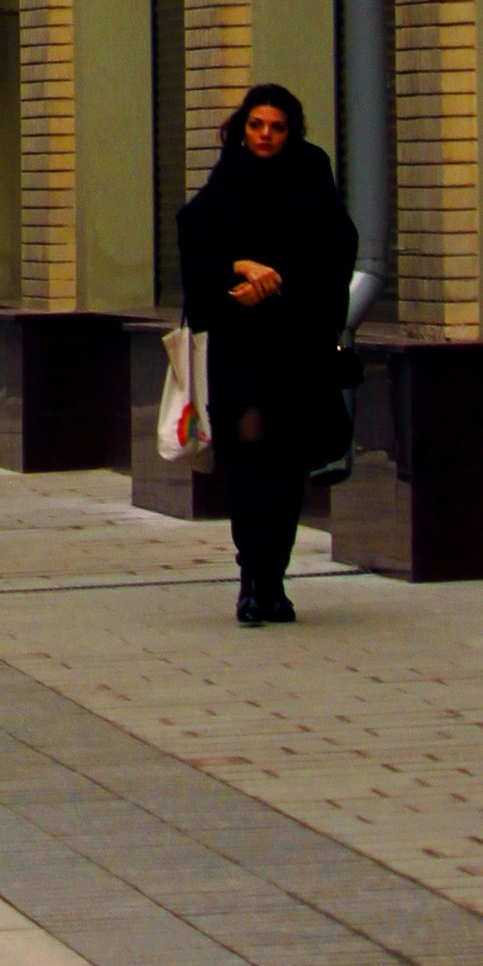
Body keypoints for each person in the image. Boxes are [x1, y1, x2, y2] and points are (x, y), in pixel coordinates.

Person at [177, 80, 354, 626]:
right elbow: (196, 244)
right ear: (242, 127)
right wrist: (239, 268)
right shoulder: (228, 177)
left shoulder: (311, 174)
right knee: (250, 454)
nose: (266, 136)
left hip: (296, 340)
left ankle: (275, 580)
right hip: (240, 342)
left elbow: (334, 248)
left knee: (286, 459)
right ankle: (251, 578)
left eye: (277, 127)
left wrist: (276, 280)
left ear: (291, 130)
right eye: (257, 125)